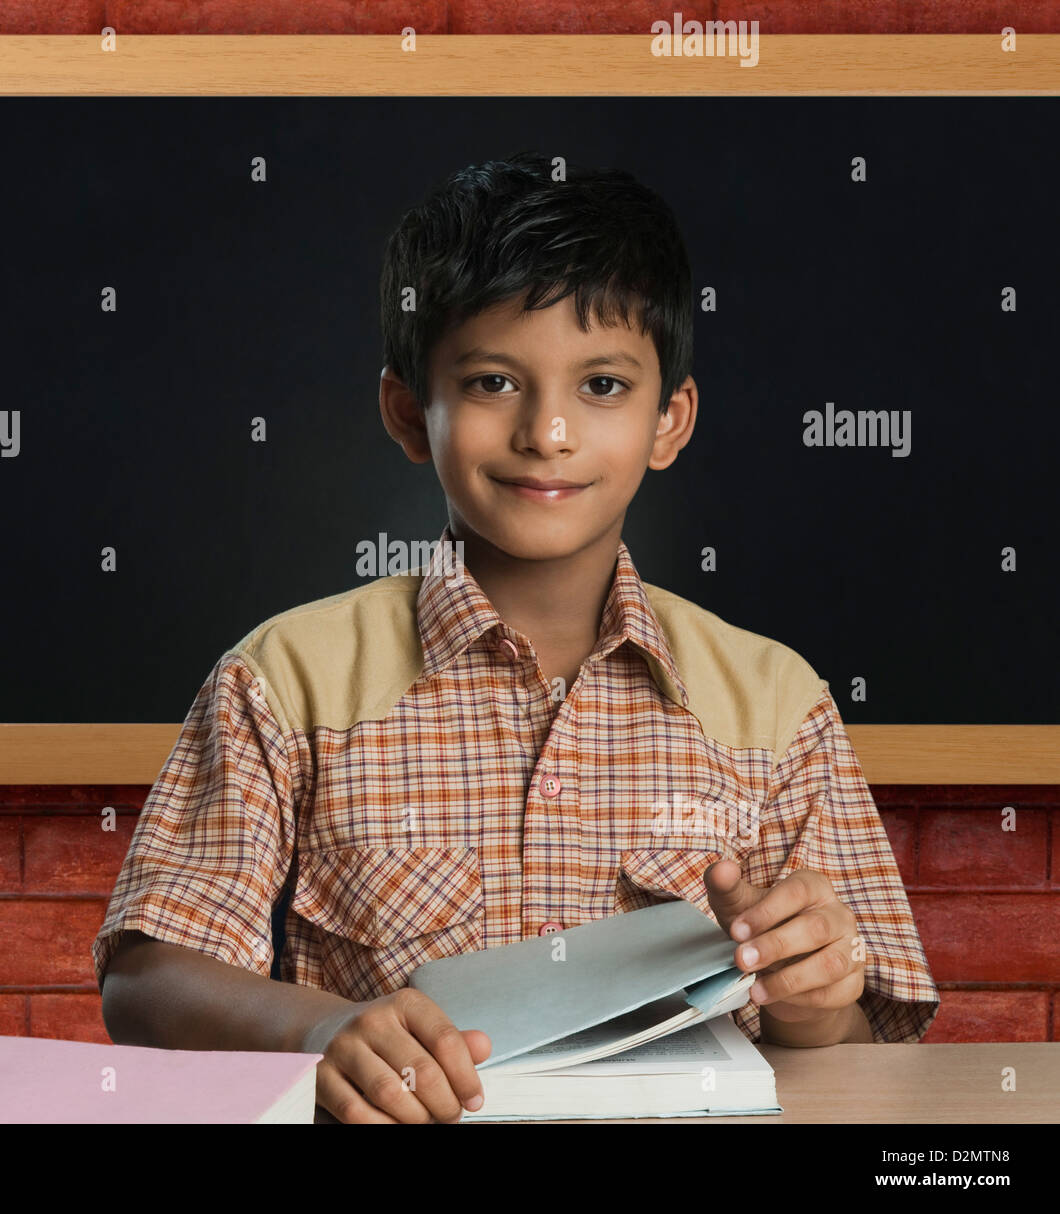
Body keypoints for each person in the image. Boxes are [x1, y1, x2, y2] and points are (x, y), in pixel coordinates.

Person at [94, 151, 939, 1124]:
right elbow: (148, 978)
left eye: (604, 386)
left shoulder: (774, 701)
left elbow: (868, 1041)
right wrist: (321, 1028)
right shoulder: (283, 682)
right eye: (494, 381)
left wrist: (811, 1000)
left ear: (670, 420)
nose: (548, 431)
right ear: (411, 413)